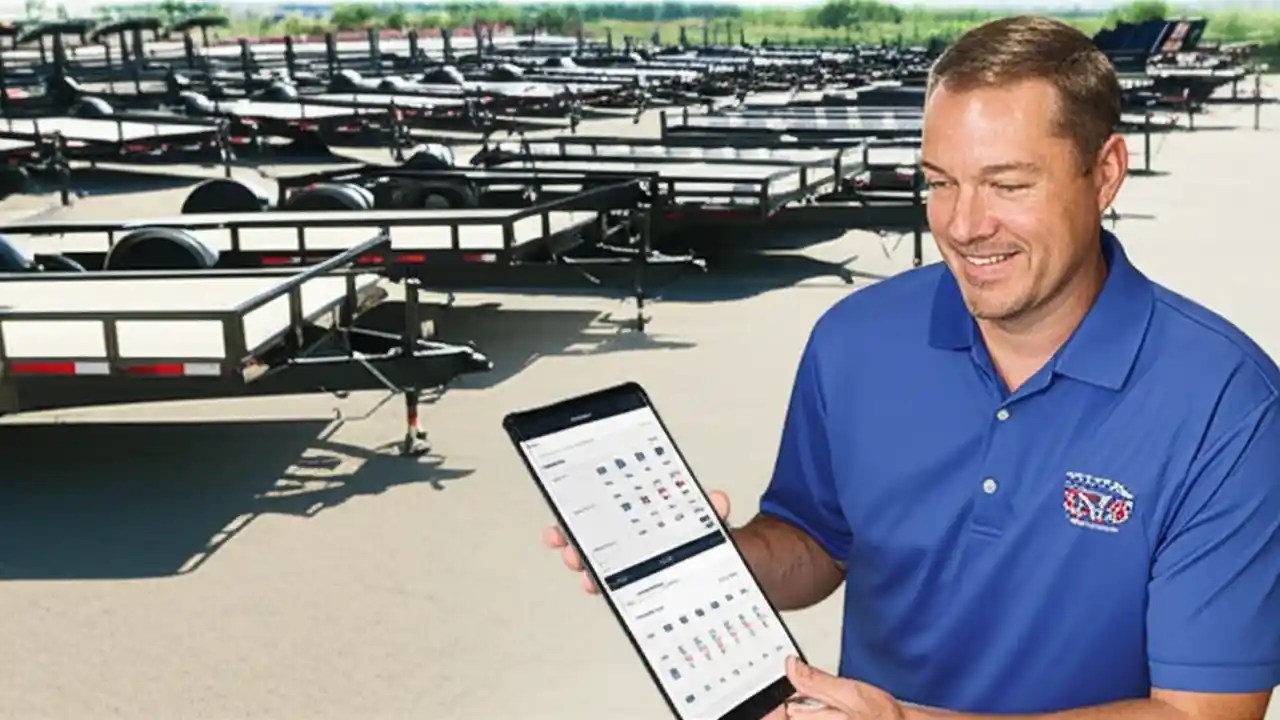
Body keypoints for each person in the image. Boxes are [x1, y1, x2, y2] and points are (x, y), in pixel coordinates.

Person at [545, 14, 1280, 719]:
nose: (964, 225)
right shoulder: (855, 339)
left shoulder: (1227, 405)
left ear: (1106, 173)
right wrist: (700, 555)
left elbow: (1207, 710)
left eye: (1008, 185)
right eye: (940, 181)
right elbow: (816, 546)